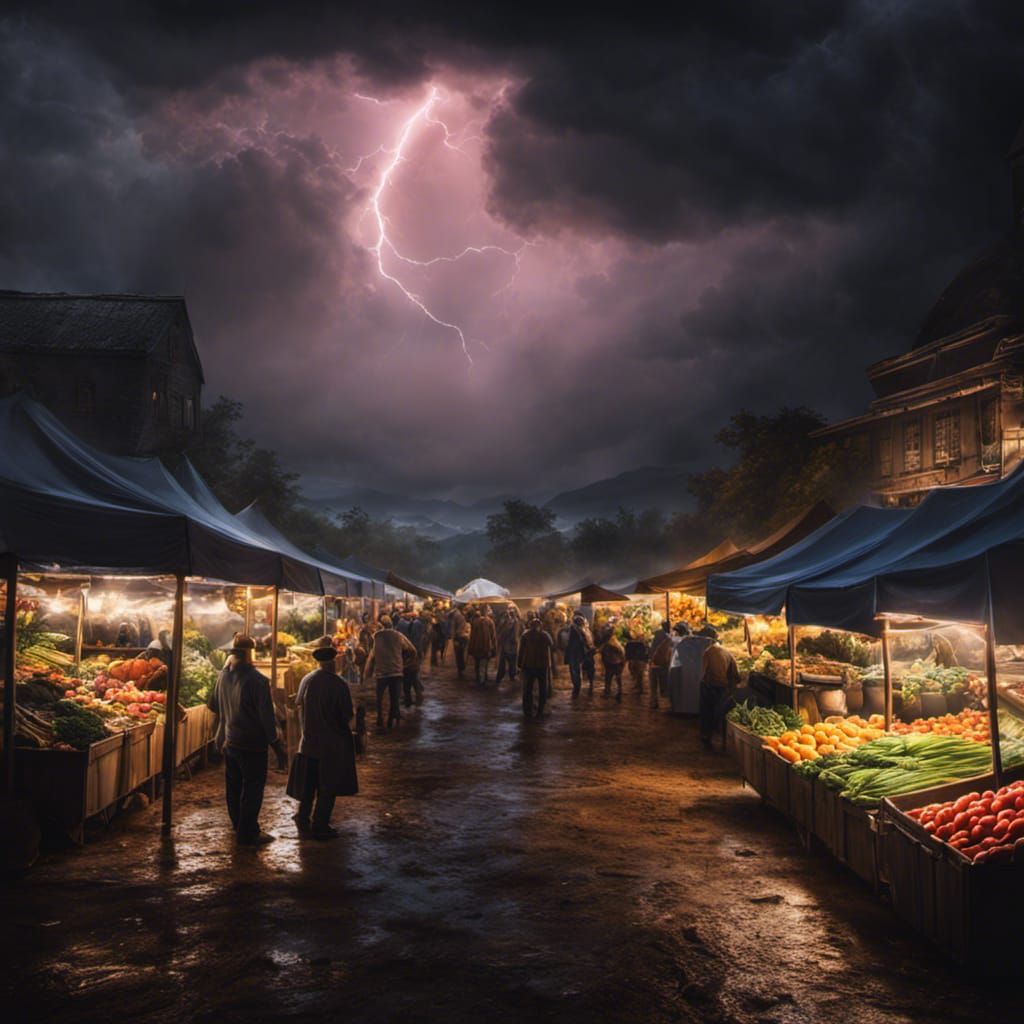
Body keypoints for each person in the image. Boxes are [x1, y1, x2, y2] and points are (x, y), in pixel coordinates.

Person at [207, 634, 283, 847]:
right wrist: (276, 745)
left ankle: (238, 824)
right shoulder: (258, 681)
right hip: (252, 744)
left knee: (234, 787)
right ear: (249, 653)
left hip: (230, 742)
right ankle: (248, 832)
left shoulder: (222, 677)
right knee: (252, 788)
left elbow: (213, 706)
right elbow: (267, 719)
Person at [287, 639, 358, 839]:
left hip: (308, 743)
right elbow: (346, 715)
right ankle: (320, 824)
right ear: (333, 662)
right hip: (331, 747)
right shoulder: (338, 684)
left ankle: (302, 817)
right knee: (327, 788)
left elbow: (298, 703)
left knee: (308, 786)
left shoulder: (307, 680)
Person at [365, 615, 417, 731]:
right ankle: (390, 721)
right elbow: (412, 651)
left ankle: (380, 719)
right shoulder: (398, 636)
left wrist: (367, 673)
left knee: (379, 698)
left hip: (381, 673)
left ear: (380, 625)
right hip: (396, 672)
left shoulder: (376, 637)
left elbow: (371, 657)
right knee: (394, 699)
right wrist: (405, 664)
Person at [699, 625, 740, 750]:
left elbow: (703, 672)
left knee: (707, 713)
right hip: (723, 689)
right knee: (721, 714)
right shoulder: (727, 652)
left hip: (708, 687)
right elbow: (736, 675)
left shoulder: (707, 652)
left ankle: (707, 740)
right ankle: (723, 742)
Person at [518, 616, 554, 718]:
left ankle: (527, 711)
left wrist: (520, 664)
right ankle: (540, 711)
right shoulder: (545, 635)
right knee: (542, 689)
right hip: (542, 665)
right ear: (540, 626)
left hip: (529, 665)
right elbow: (552, 645)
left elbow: (521, 651)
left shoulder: (525, 635)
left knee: (528, 689)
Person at [565, 615, 595, 698]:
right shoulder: (586, 630)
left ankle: (577, 688)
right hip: (586, 653)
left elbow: (570, 643)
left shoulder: (575, 630)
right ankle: (589, 685)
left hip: (577, 654)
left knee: (575, 671)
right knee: (588, 669)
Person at [468, 606, 498, 684]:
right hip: (486, 646)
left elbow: (472, 636)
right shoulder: (490, 621)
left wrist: (471, 646)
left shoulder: (475, 621)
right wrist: (494, 647)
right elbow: (493, 636)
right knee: (484, 663)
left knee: (477, 663)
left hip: (477, 646)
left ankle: (479, 677)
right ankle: (482, 678)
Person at [648, 622, 673, 710]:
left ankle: (654, 702)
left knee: (653, 685)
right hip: (664, 664)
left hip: (654, 662)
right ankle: (665, 704)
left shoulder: (657, 635)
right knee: (664, 685)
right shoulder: (669, 638)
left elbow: (651, 648)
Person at [496, 606, 523, 684]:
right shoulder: (515, 622)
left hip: (507, 646)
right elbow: (515, 635)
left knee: (505, 663)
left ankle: (501, 677)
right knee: (511, 663)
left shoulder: (509, 622)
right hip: (511, 646)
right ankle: (510, 677)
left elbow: (501, 633)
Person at [600, 632, 626, 702]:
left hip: (610, 664)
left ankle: (607, 692)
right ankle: (619, 691)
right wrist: (622, 663)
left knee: (608, 678)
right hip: (618, 663)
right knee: (618, 678)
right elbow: (622, 653)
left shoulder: (607, 645)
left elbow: (603, 654)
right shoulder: (617, 644)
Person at [449, 604, 469, 680]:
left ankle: (461, 668)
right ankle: (461, 669)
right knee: (459, 654)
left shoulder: (457, 615)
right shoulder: (460, 616)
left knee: (459, 654)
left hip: (458, 637)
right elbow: (459, 628)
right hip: (459, 637)